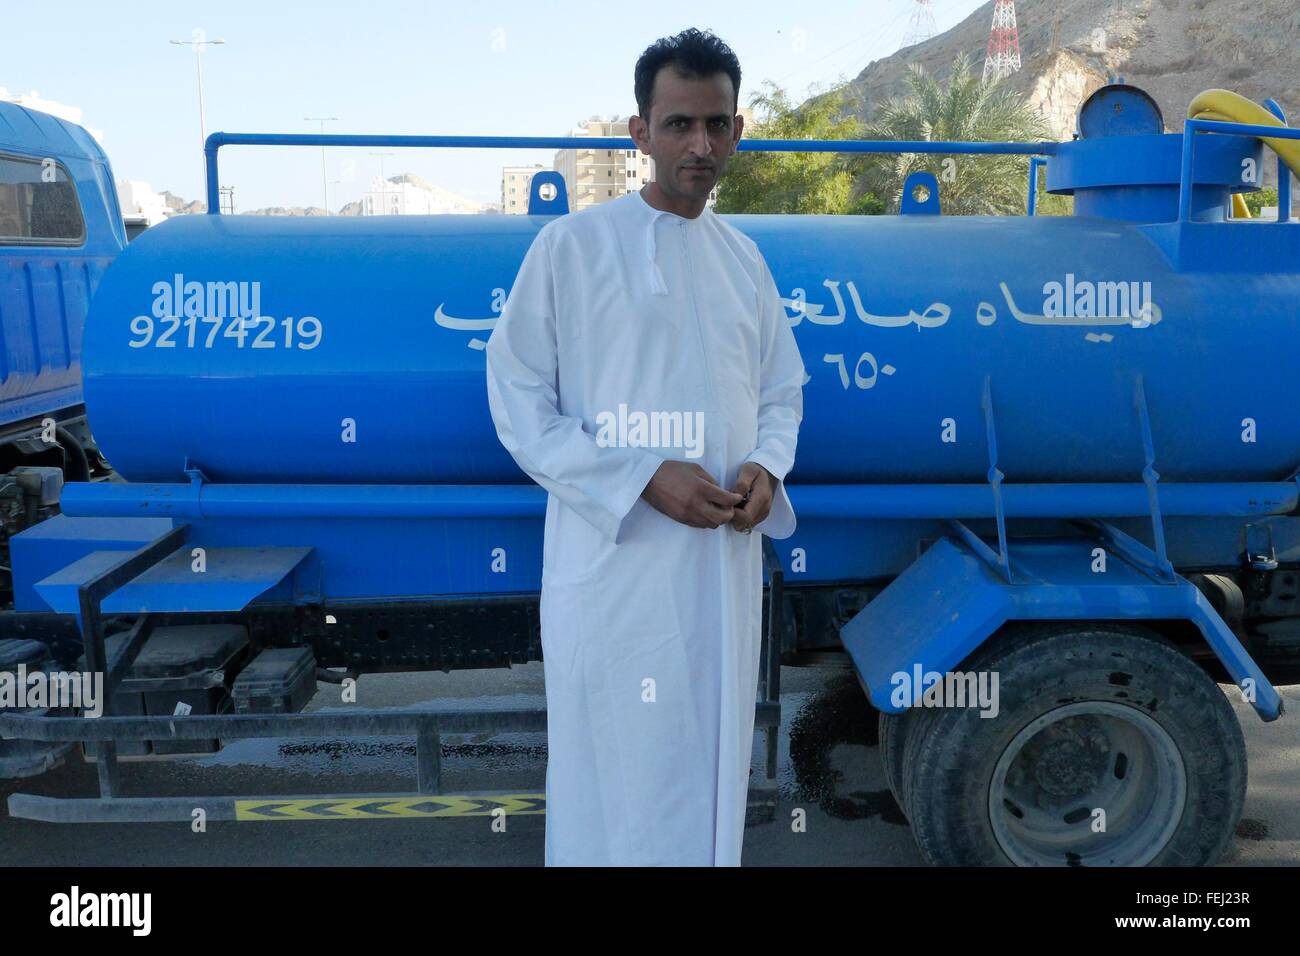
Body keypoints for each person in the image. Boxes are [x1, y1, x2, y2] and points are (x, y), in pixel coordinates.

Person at [485, 27, 805, 866]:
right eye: (678, 124)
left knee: (710, 762)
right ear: (639, 133)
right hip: (615, 570)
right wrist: (640, 478)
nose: (700, 144)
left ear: (738, 130)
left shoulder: (745, 260)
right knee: (617, 774)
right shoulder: (571, 248)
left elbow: (781, 390)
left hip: (722, 575)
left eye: (717, 124)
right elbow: (521, 406)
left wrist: (768, 467)